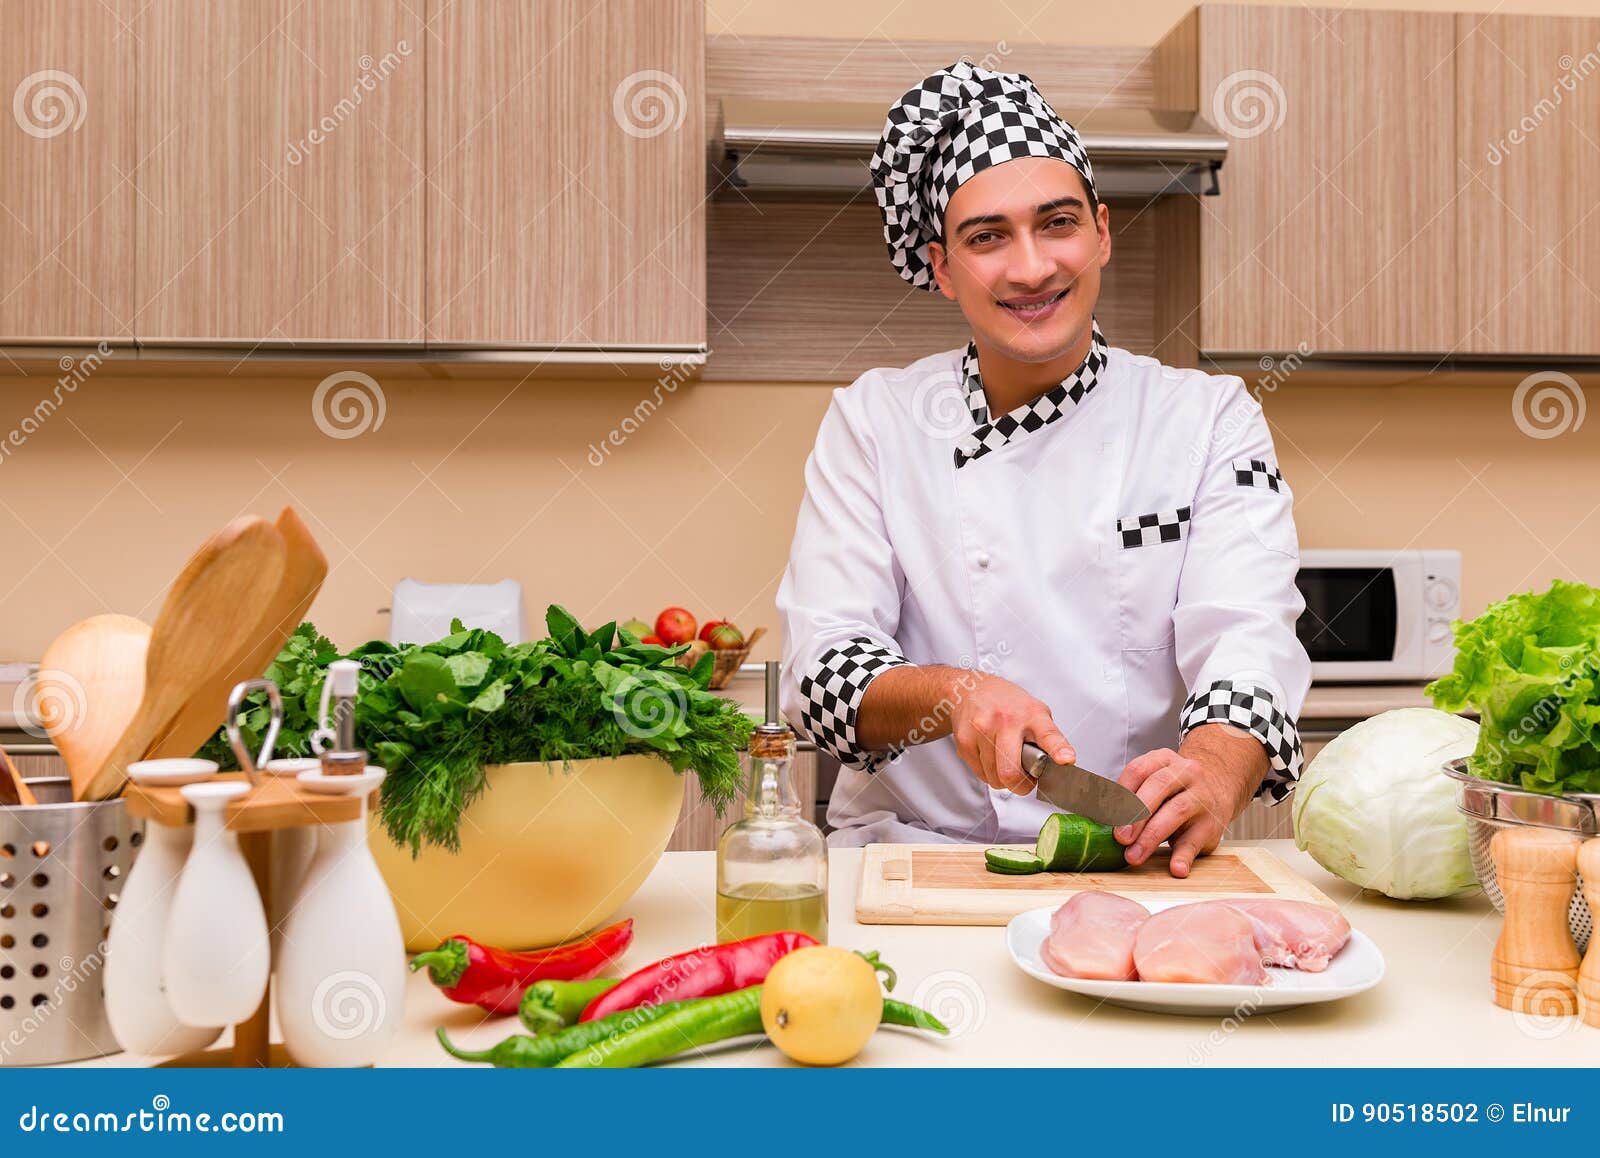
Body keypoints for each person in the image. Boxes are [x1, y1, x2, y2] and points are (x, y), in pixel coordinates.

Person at [776, 62, 1311, 877]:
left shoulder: (1208, 419)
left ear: (1101, 233)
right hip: (911, 855)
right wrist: (954, 695)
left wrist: (1212, 769)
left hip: (1131, 857)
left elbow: (1248, 636)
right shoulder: (875, 421)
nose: (1030, 269)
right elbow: (819, 668)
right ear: (943, 266)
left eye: (1056, 223)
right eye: (987, 237)